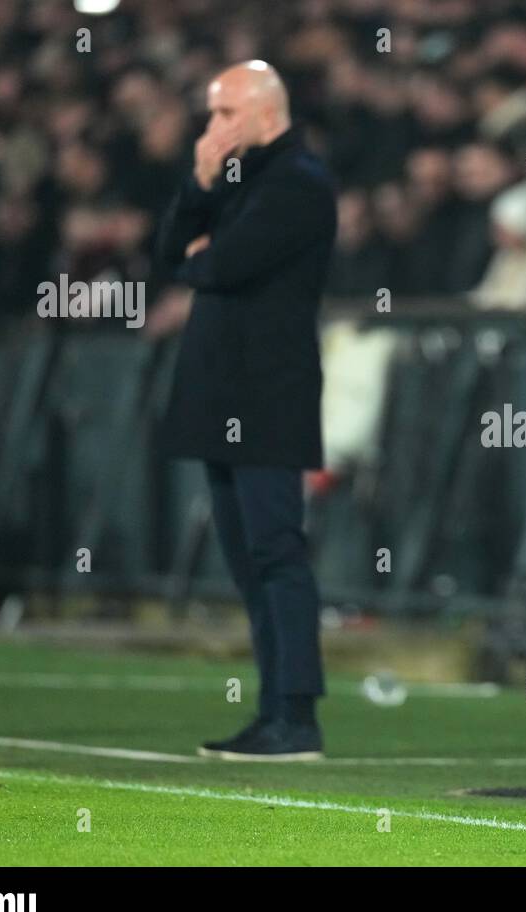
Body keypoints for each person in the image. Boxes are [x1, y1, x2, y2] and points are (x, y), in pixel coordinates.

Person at [157, 61, 337, 760]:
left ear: (268, 113)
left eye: (226, 113)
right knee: (244, 561)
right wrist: (199, 187)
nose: (213, 127)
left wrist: (203, 250)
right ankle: (272, 712)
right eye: (211, 113)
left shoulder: (298, 180)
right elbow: (172, 253)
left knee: (275, 552)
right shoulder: (235, 178)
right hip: (223, 391)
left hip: (268, 394)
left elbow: (218, 266)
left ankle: (298, 715)